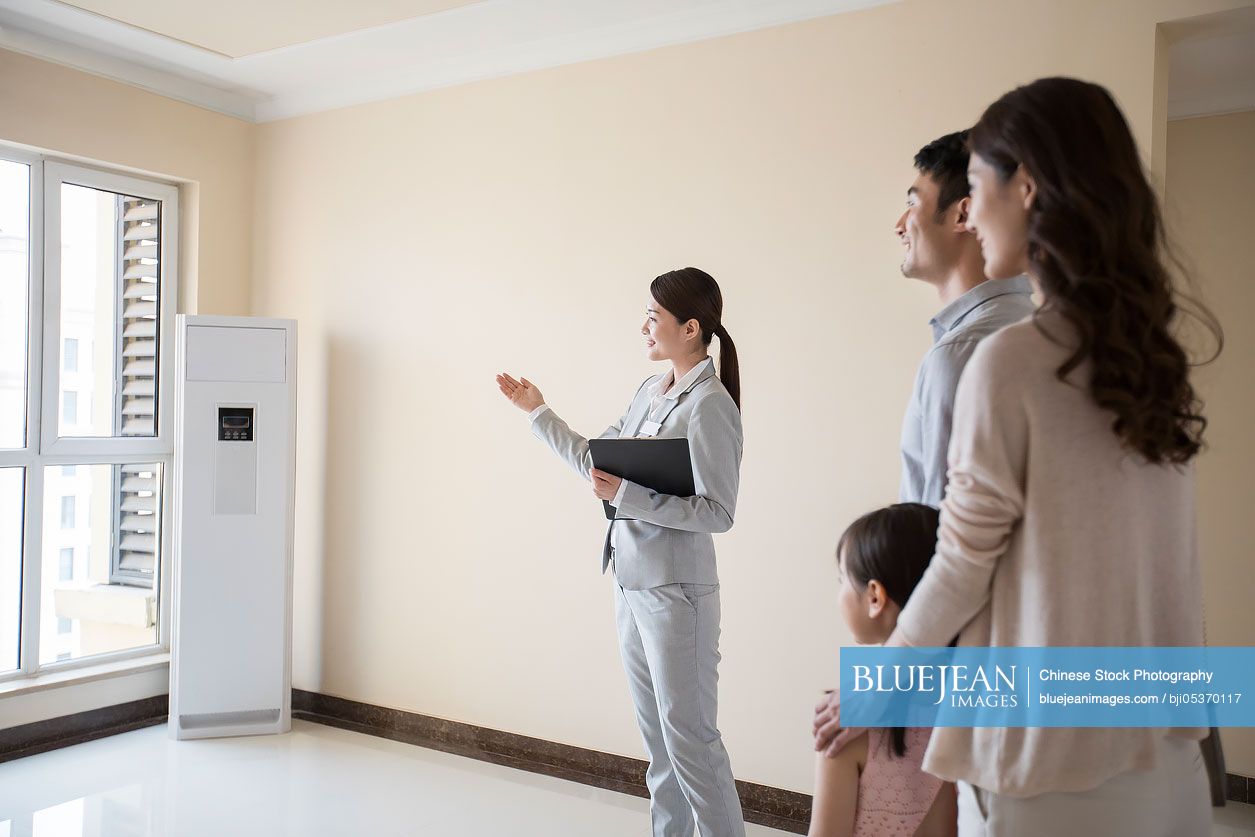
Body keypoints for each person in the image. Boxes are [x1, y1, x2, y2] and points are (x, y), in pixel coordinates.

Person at [821, 77, 1223, 836]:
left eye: (977, 187)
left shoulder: (1010, 361)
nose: (972, 214)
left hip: (1046, 764)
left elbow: (958, 557)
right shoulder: (1154, 364)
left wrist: (875, 682)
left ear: (1026, 187)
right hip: (1166, 753)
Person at [496, 267, 747, 837]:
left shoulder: (710, 405)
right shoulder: (649, 393)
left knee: (690, 740)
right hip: (631, 582)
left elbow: (718, 512)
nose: (644, 326)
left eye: (653, 316)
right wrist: (538, 412)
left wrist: (629, 496)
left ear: (690, 328)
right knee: (659, 745)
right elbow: (597, 463)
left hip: (677, 593)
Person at [814, 130, 1035, 757]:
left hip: (967, 673)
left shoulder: (966, 355)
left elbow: (941, 544)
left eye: (913, 201)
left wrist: (884, 684)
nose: (899, 223)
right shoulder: (1031, 331)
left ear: (963, 212)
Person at [808, 503, 958, 837]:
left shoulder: (846, 725)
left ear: (875, 596)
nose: (839, 593)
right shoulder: (974, 706)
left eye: (842, 580)